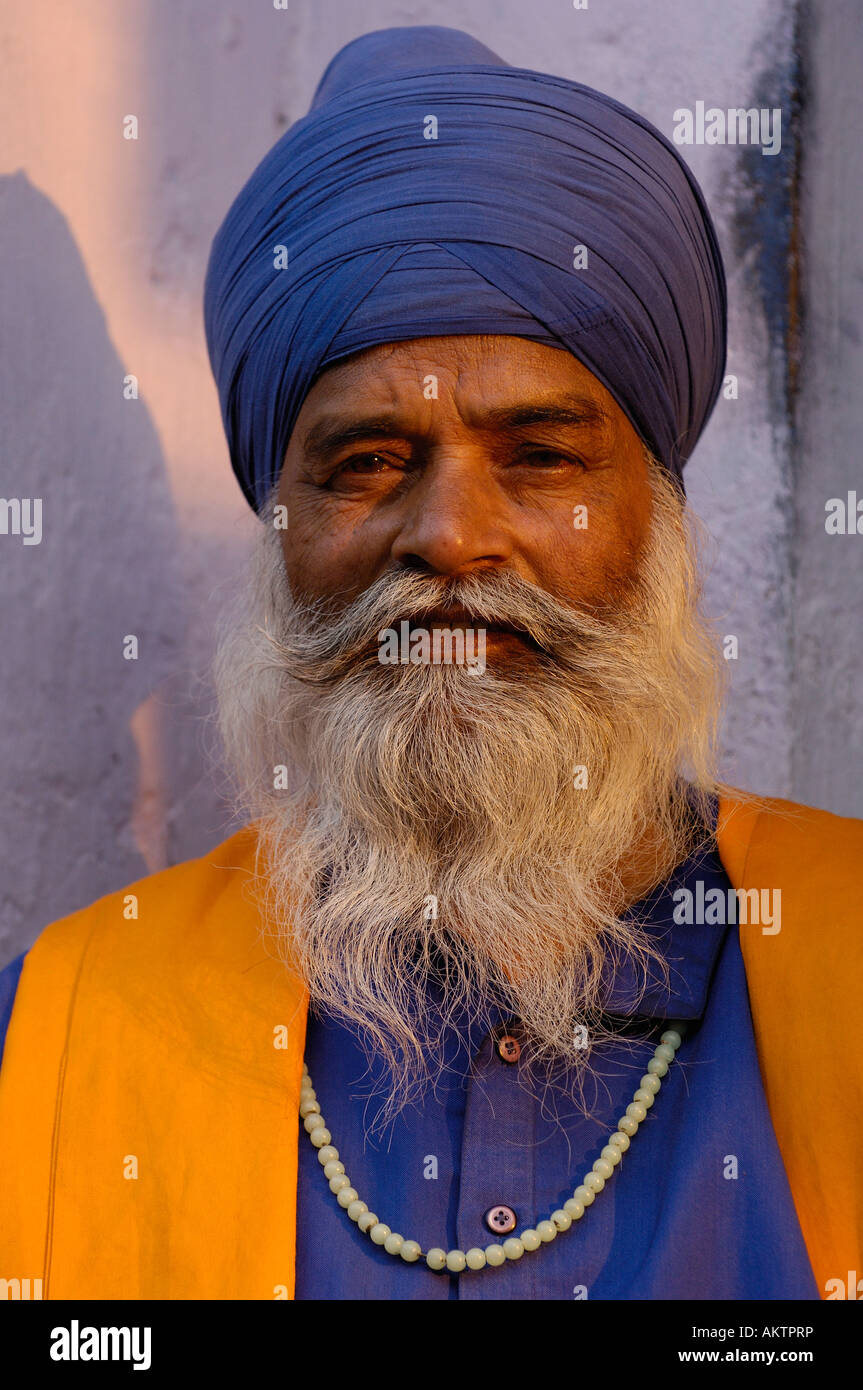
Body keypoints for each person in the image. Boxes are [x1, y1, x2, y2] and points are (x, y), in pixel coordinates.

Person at [1, 25, 860, 1302]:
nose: (450, 535)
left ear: (658, 521)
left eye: (541, 455)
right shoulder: (61, 1031)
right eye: (363, 463)